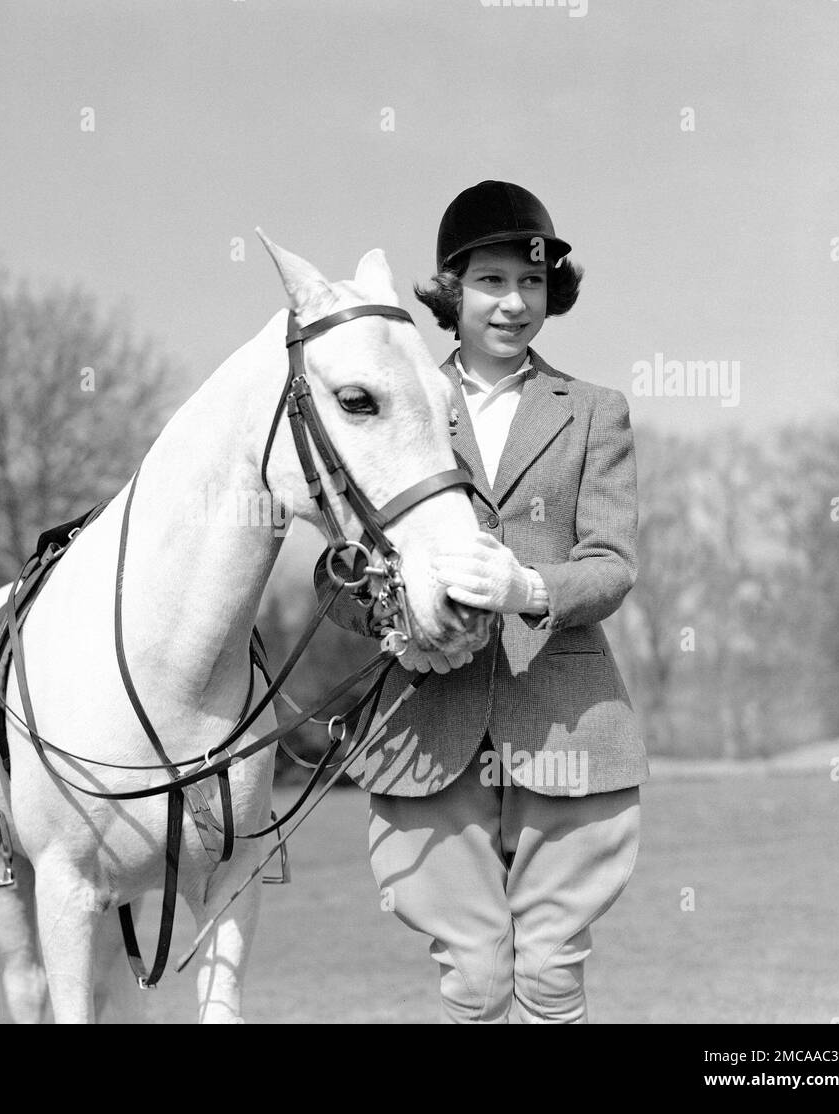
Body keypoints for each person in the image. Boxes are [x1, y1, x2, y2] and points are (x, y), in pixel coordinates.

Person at [314, 180, 646, 1023]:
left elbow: (610, 565)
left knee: (548, 978)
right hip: (428, 726)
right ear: (449, 291)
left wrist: (528, 588)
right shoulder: (387, 399)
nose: (513, 302)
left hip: (567, 722)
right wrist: (391, 605)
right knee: (475, 981)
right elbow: (337, 570)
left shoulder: (596, 412)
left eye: (531, 282)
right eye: (492, 281)